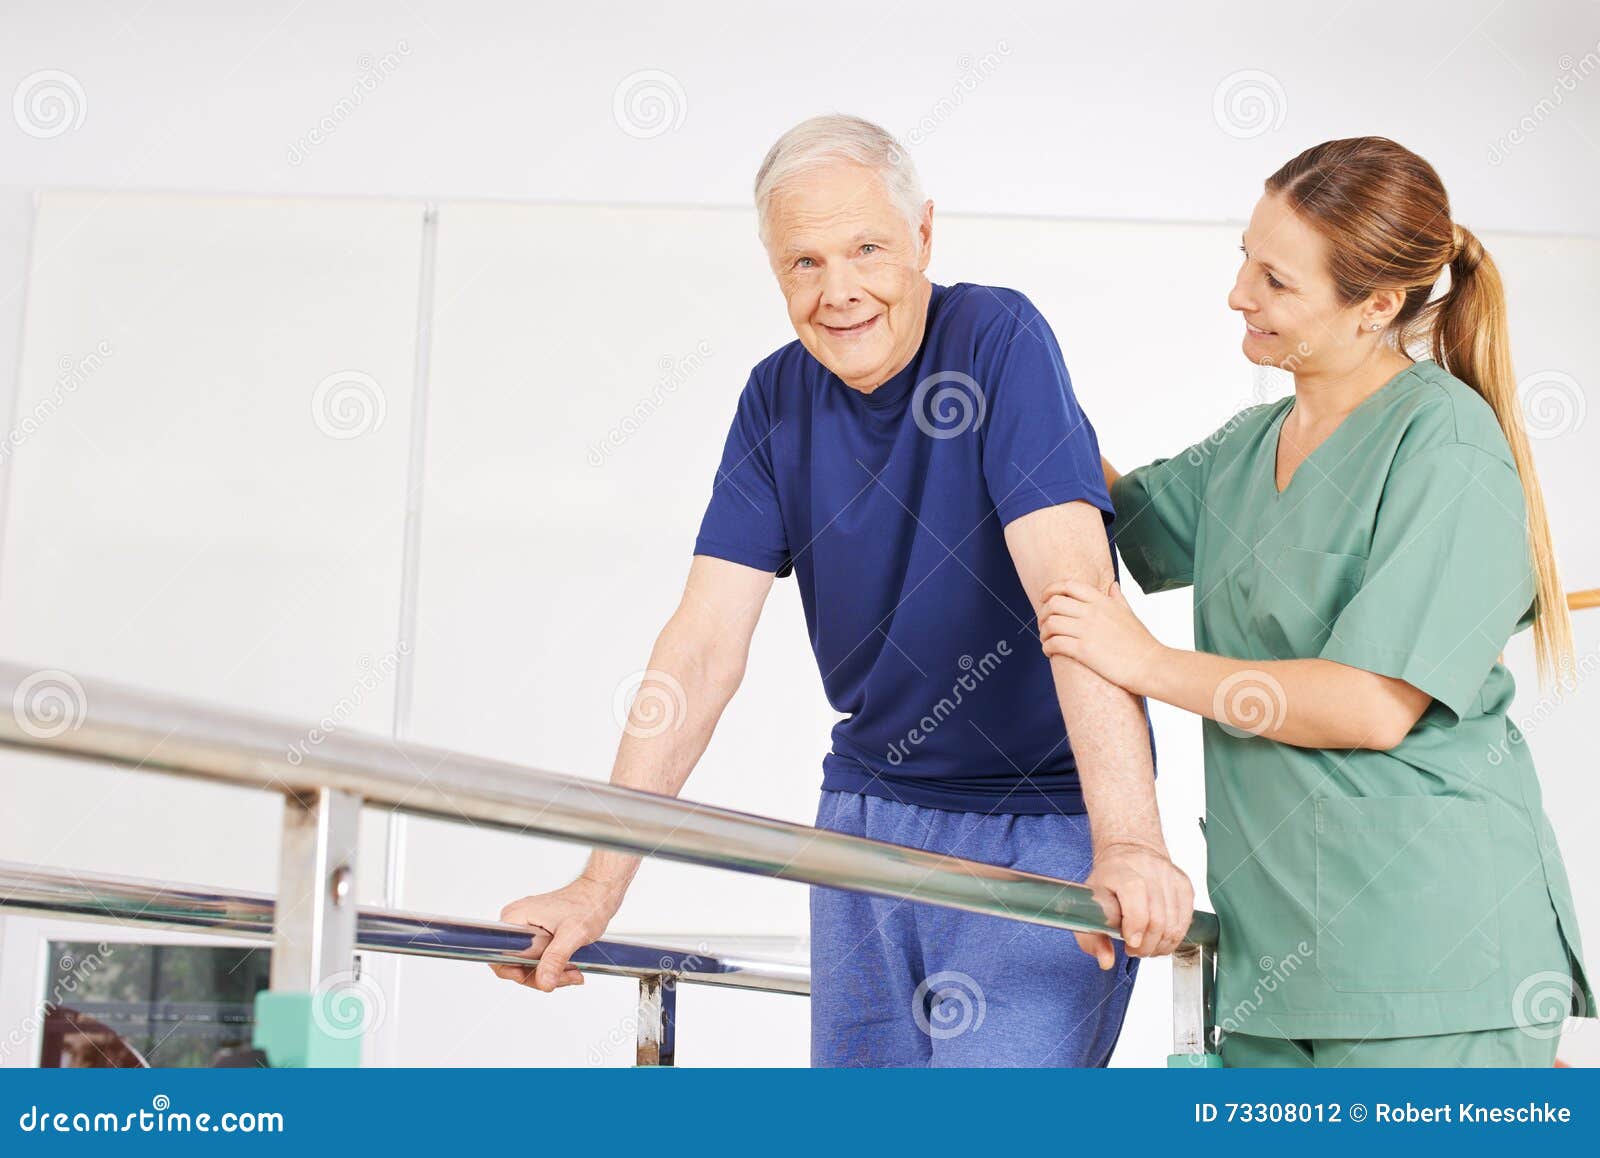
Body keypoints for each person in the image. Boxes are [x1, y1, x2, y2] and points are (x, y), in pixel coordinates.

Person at [490, 113, 1194, 1067]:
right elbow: (700, 649)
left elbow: (1074, 596)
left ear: (924, 234)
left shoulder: (997, 338)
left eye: (866, 249)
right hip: (867, 823)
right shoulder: (774, 398)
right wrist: (597, 885)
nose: (839, 291)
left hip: (1043, 823)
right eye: (805, 263)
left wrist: (1131, 839)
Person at [1040, 136, 1594, 1067]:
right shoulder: (1248, 444)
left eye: (1276, 280)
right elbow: (1119, 521)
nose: (1238, 295)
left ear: (1377, 304)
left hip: (1429, 952)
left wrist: (1146, 663)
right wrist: (1016, 390)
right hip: (1276, 959)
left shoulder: (1447, 445)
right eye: (1243, 261)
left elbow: (1372, 704)